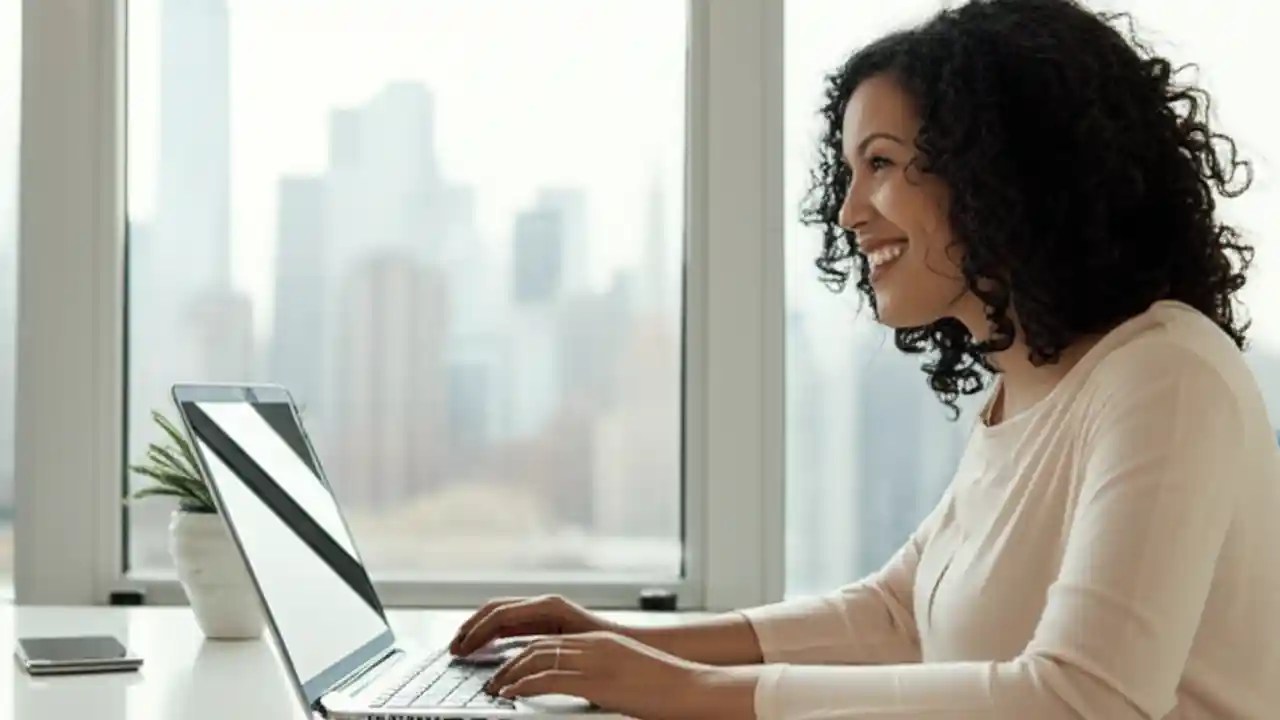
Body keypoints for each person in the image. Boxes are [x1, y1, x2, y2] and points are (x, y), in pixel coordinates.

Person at [449, 0, 1280, 717]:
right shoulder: (1030, 389)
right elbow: (898, 615)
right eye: (848, 171)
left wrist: (689, 691)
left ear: (1000, 168)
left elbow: (1081, 700)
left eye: (879, 164)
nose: (848, 211)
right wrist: (622, 640)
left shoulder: (1164, 377)